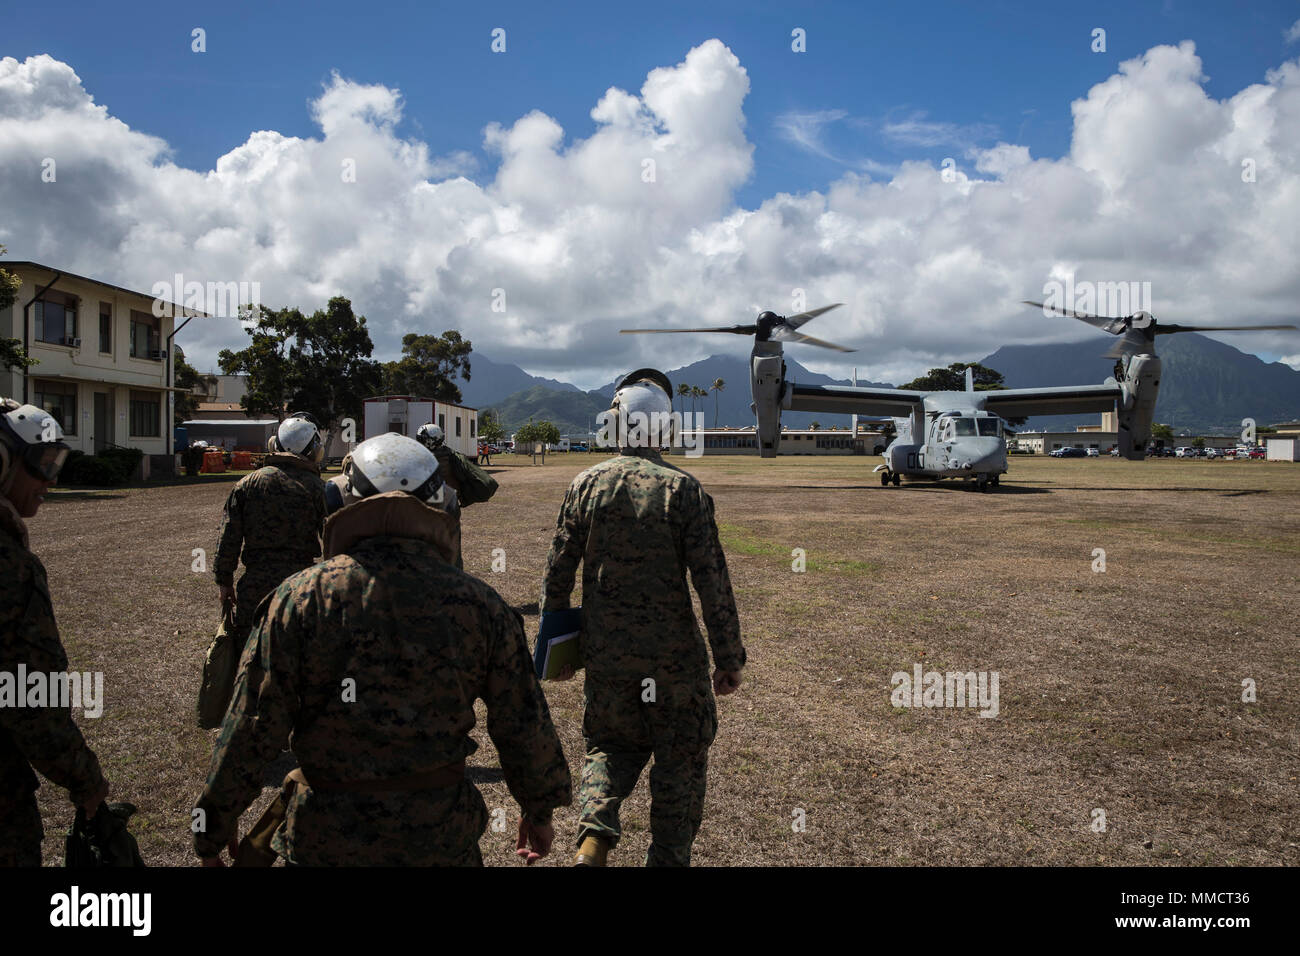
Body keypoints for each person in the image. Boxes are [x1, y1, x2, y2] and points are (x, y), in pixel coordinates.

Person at [193, 432, 570, 866]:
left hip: (324, 841)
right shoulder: (481, 604)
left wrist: (211, 829)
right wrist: (539, 810)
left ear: (338, 503)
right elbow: (522, 722)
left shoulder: (297, 599)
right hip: (441, 840)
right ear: (442, 505)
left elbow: (250, 728)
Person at [541, 369, 746, 867]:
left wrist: (556, 654)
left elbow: (556, 577)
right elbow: (711, 583)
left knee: (608, 748)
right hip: (674, 661)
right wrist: (728, 657)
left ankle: (593, 843)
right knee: (680, 760)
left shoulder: (584, 486)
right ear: (664, 429)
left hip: (607, 658)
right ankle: (668, 857)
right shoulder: (684, 491)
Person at [0, 400, 109, 865]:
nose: (51, 480)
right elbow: (29, 698)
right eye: (42, 464)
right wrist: (86, 781)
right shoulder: (11, 567)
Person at [214, 413, 328, 653]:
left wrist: (224, 580)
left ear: (275, 445)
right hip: (301, 584)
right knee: (298, 655)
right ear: (311, 449)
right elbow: (332, 538)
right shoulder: (319, 488)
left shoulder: (247, 484)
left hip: (255, 587)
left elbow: (229, 537)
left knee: (250, 656)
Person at [415, 423, 498, 569]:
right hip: (450, 507)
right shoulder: (453, 456)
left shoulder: (417, 459)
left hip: (423, 509)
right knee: (452, 547)